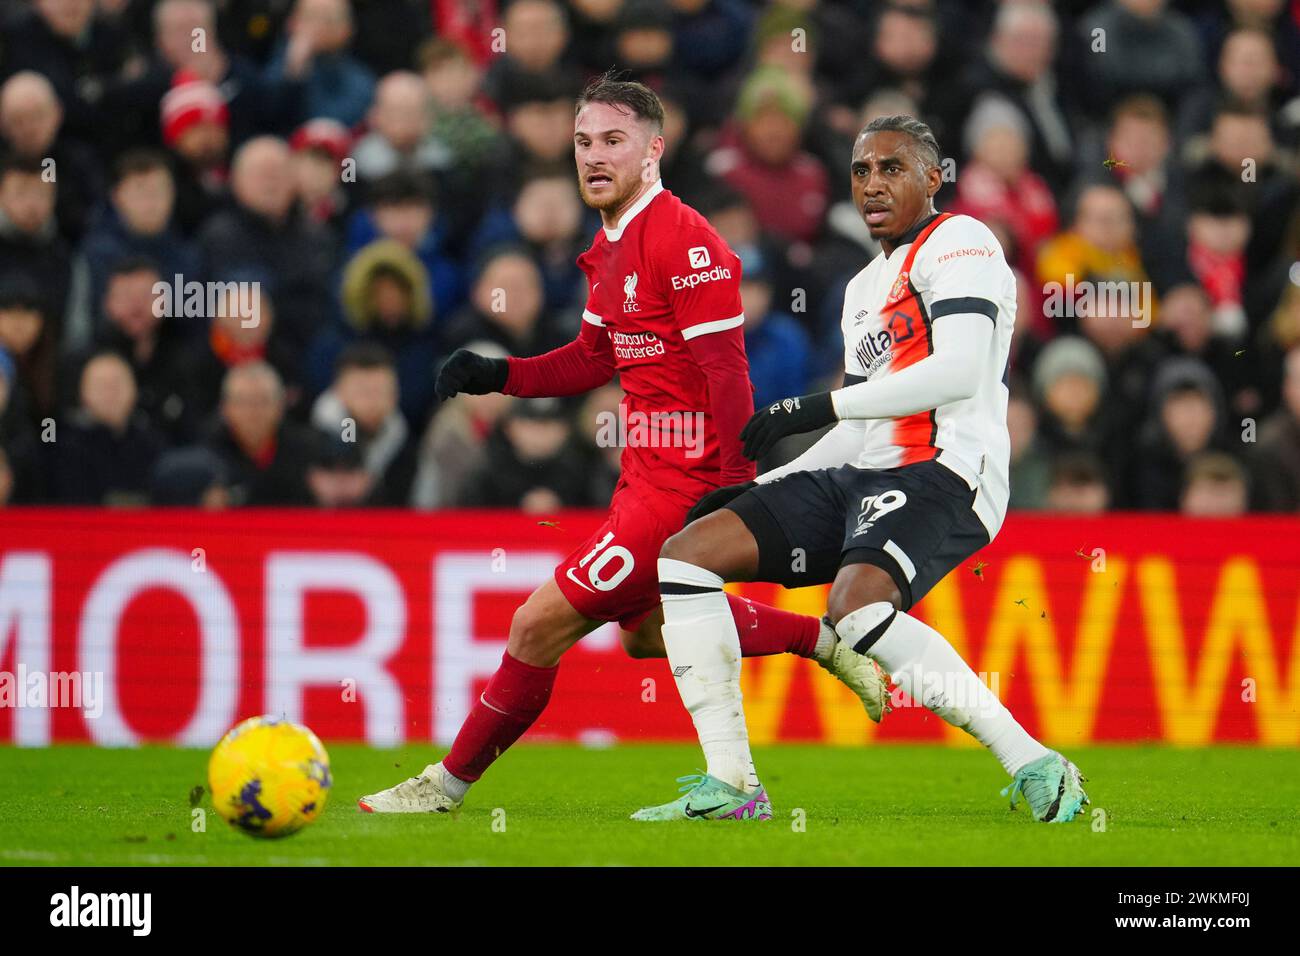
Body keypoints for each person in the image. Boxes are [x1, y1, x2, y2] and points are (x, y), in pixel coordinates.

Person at [357, 74, 888, 816]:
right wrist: (498, 373)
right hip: (640, 478)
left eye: (613, 141)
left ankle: (444, 786)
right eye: (583, 143)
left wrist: (732, 484)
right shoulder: (612, 244)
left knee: (535, 625)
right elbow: (591, 358)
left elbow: (727, 373)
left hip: (680, 490)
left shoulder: (684, 238)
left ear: (654, 150)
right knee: (647, 634)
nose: (594, 157)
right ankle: (822, 642)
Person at [633, 114, 1088, 823]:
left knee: (857, 609)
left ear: (935, 178)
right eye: (861, 171)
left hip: (947, 469)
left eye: (893, 167)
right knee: (687, 558)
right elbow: (863, 424)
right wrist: (765, 483)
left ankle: (1032, 759)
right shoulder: (861, 290)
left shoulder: (961, 241)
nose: (873, 183)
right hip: (865, 473)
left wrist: (815, 405)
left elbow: (961, 371)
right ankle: (733, 786)